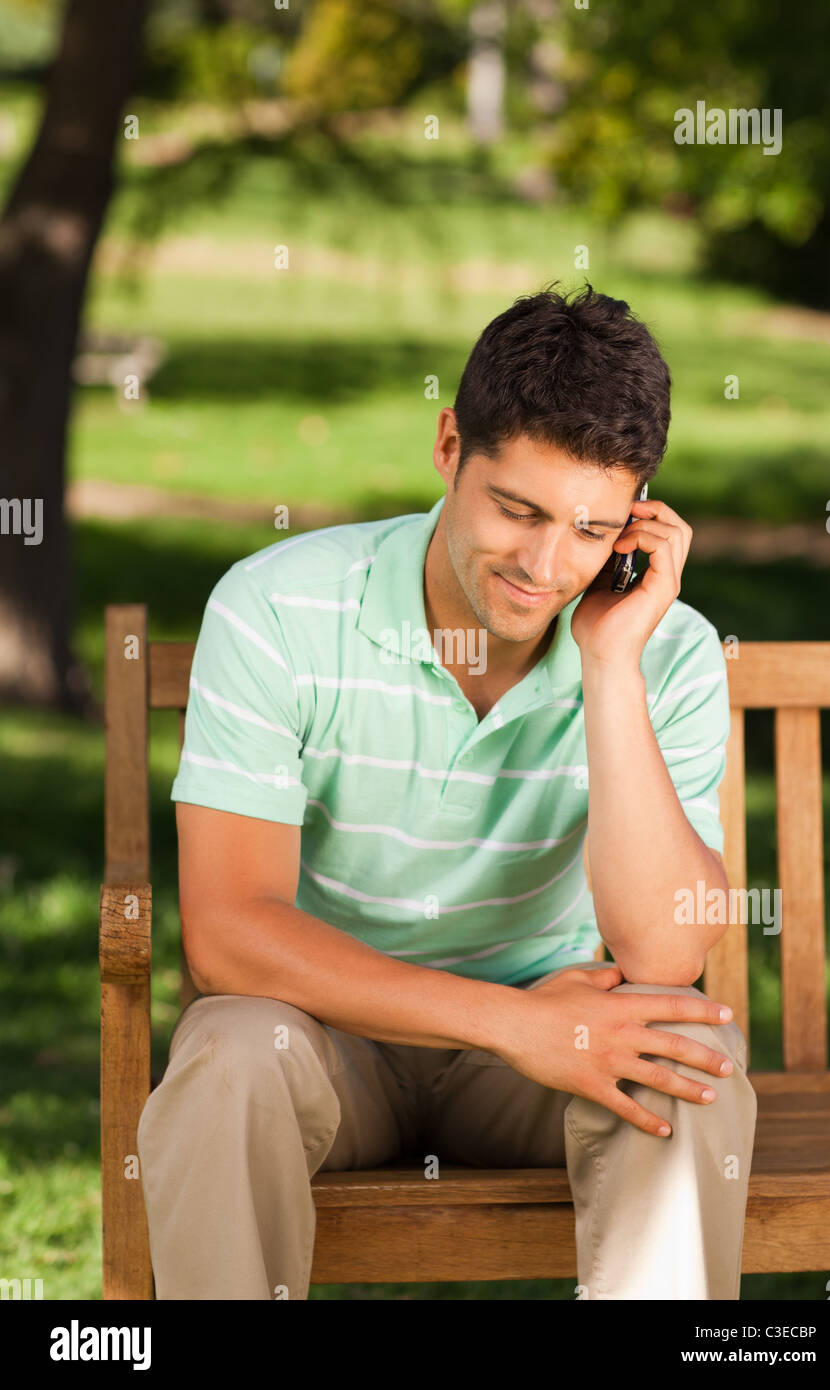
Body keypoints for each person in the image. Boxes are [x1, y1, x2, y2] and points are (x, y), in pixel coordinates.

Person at [137, 282, 757, 1300]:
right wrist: (507, 1020)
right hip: (327, 1038)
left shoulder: (667, 653)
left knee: (683, 1055)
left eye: (590, 528)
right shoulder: (278, 606)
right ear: (446, 448)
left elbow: (663, 952)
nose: (544, 565)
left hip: (536, 1060)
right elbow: (228, 935)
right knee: (228, 1050)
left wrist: (608, 666)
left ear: (638, 517)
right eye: (514, 509)